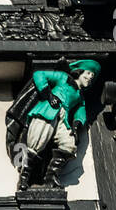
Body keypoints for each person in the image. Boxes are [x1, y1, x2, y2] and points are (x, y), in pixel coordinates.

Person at [6, 59, 101, 191]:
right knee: (36, 142)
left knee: (69, 145)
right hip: (48, 110)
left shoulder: (79, 95)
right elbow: (39, 74)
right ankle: (24, 178)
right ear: (80, 72)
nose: (90, 78)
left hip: (63, 118)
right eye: (89, 73)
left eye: (92, 76)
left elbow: (81, 111)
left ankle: (51, 178)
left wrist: (77, 123)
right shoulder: (63, 78)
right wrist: (48, 95)